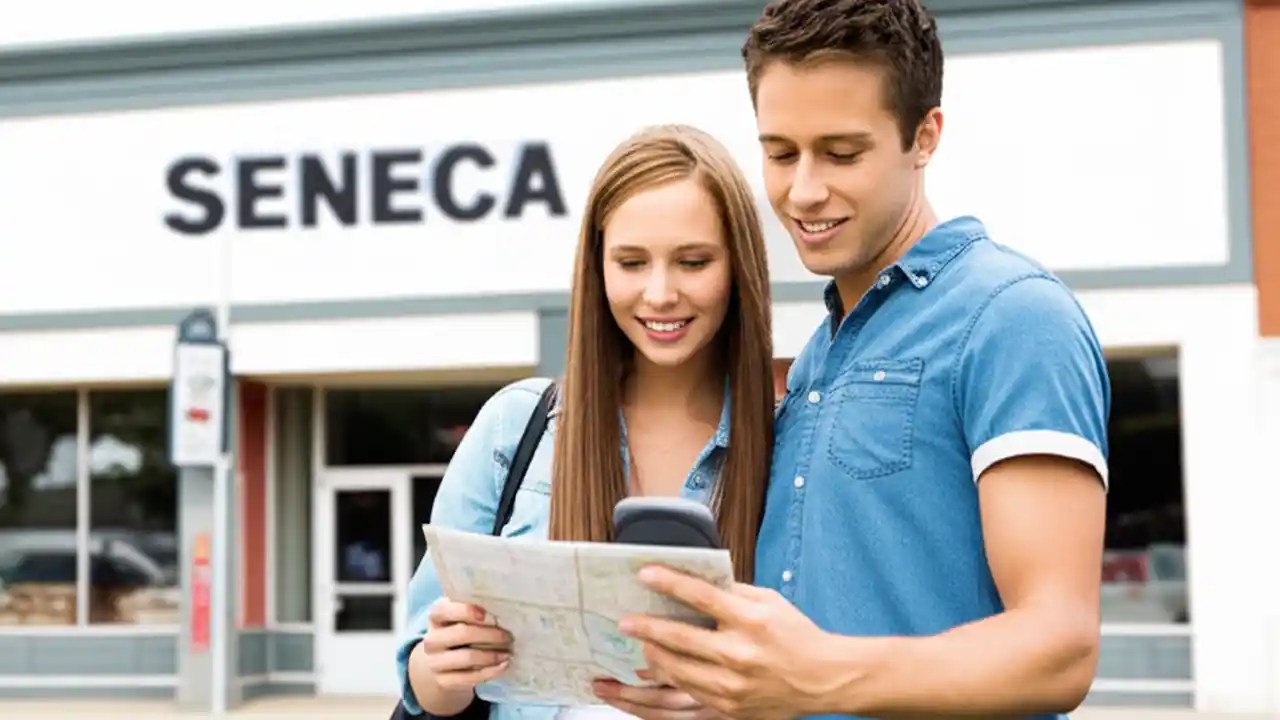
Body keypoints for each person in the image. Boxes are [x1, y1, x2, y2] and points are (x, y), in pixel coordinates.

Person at [609, 2, 1111, 720]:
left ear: (924, 136)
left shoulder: (1012, 317)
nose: (804, 191)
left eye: (842, 153)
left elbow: (1060, 646)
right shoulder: (818, 358)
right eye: (780, 153)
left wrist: (814, 675)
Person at [394, 124, 776, 720]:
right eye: (630, 262)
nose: (659, 293)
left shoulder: (793, 444)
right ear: (597, 269)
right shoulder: (514, 428)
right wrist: (442, 669)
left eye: (693, 261)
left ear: (739, 268)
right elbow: (424, 684)